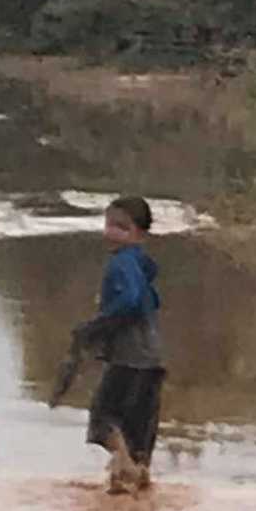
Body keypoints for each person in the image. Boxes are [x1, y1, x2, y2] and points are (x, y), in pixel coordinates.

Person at [75, 195, 164, 494]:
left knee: (104, 419)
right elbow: (150, 299)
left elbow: (132, 300)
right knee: (140, 429)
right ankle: (137, 478)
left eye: (121, 227)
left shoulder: (122, 263)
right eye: (109, 224)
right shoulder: (141, 263)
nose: (112, 232)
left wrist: (98, 324)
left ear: (140, 234)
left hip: (130, 359)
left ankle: (123, 469)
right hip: (152, 360)